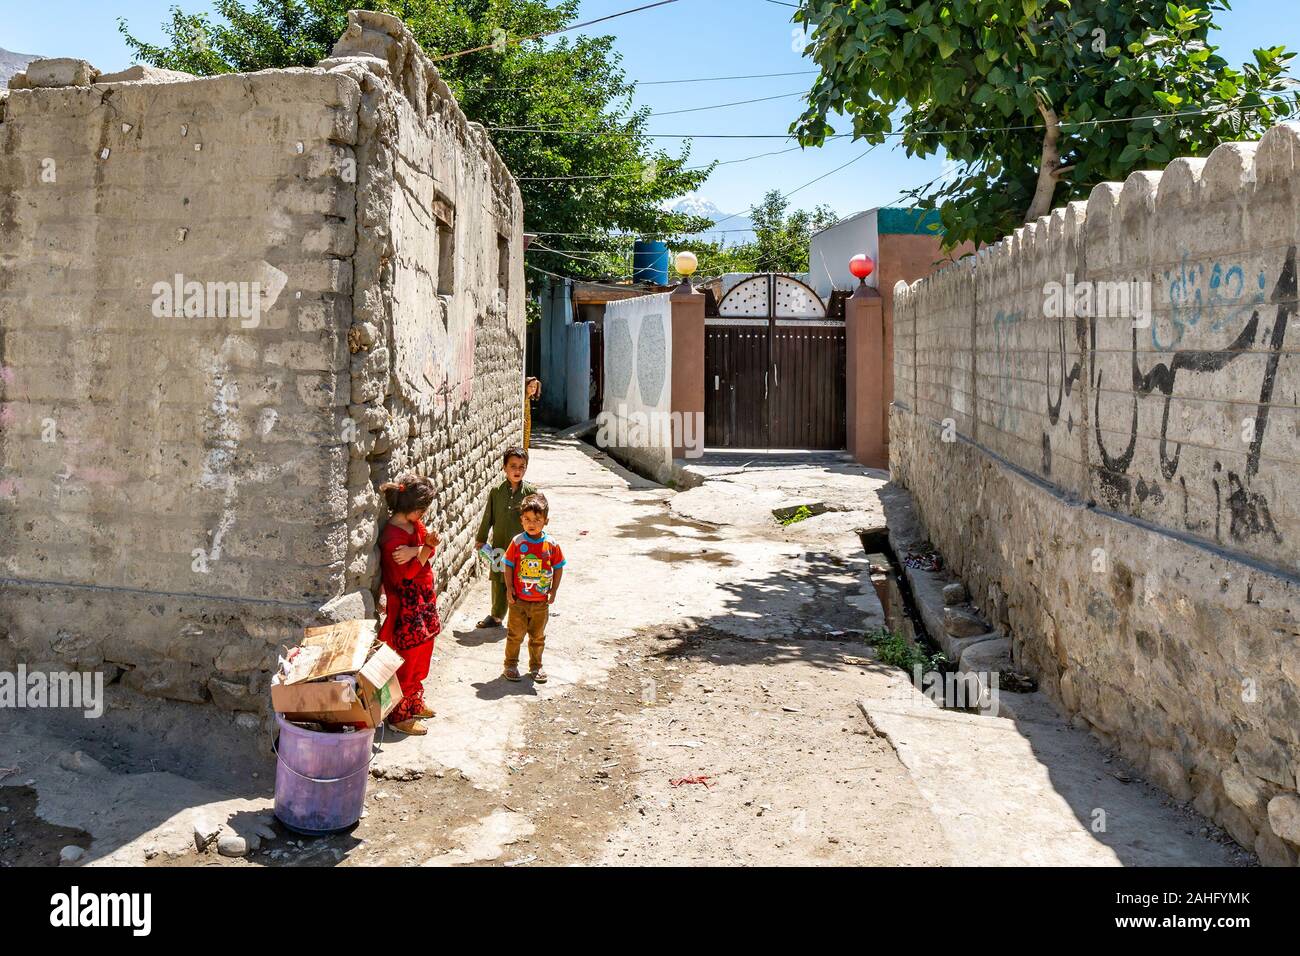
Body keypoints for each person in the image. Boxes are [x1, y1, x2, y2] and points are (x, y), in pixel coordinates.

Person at [377, 476, 441, 736]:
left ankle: (413, 701)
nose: (424, 515)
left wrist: (418, 550)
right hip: (408, 608)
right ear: (415, 509)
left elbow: (429, 548)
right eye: (424, 510)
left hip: (422, 602)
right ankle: (399, 715)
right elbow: (408, 573)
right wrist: (423, 551)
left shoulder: (414, 526)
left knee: (423, 652)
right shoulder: (392, 538)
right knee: (408, 657)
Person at [500, 493, 565, 683]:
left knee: (538, 637)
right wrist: (509, 587)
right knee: (515, 635)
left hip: (540, 603)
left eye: (537, 520)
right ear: (521, 520)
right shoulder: (518, 542)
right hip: (518, 601)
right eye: (527, 519)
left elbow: (558, 566)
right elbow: (509, 565)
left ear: (546, 521)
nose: (532, 523)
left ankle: (536, 666)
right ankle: (510, 665)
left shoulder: (551, 544)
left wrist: (554, 590)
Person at [474, 447, 537, 629]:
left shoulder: (530, 493)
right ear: (504, 468)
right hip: (500, 544)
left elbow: (537, 517)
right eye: (513, 466)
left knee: (521, 579)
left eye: (521, 467)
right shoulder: (496, 492)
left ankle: (523, 616)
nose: (517, 471)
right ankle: (496, 616)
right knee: (498, 580)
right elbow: (488, 517)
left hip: (522, 547)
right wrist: (481, 539)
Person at [523, 377, 541, 449]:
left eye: (535, 387)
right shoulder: (524, 398)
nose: (533, 389)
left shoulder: (528, 398)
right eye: (530, 386)